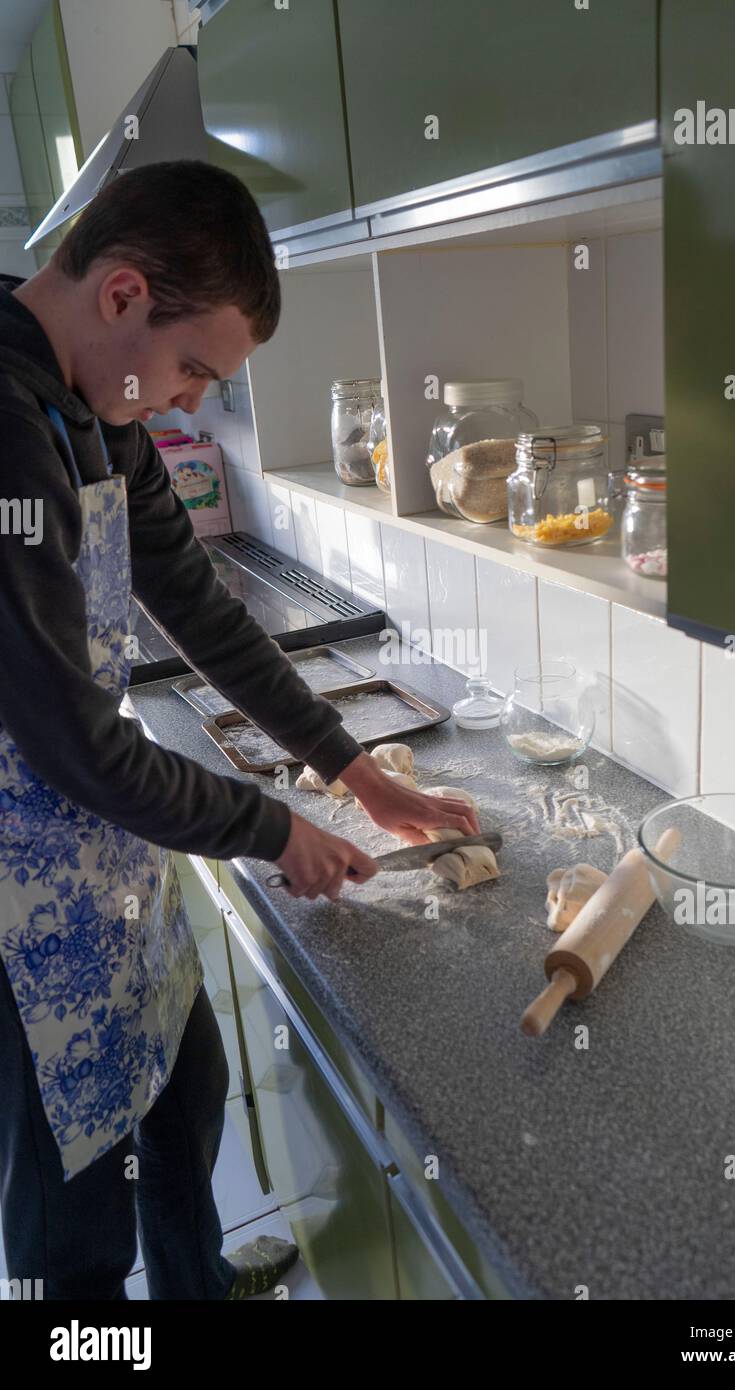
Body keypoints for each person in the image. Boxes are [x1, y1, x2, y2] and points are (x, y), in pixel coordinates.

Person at [0, 160, 479, 1300]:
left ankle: (194, 1293)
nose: (193, 402)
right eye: (192, 369)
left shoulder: (92, 400)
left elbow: (198, 600)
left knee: (184, 1093)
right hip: (16, 902)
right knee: (74, 1227)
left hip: (94, 849)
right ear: (122, 296)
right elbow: (70, 745)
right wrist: (273, 827)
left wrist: (352, 769)